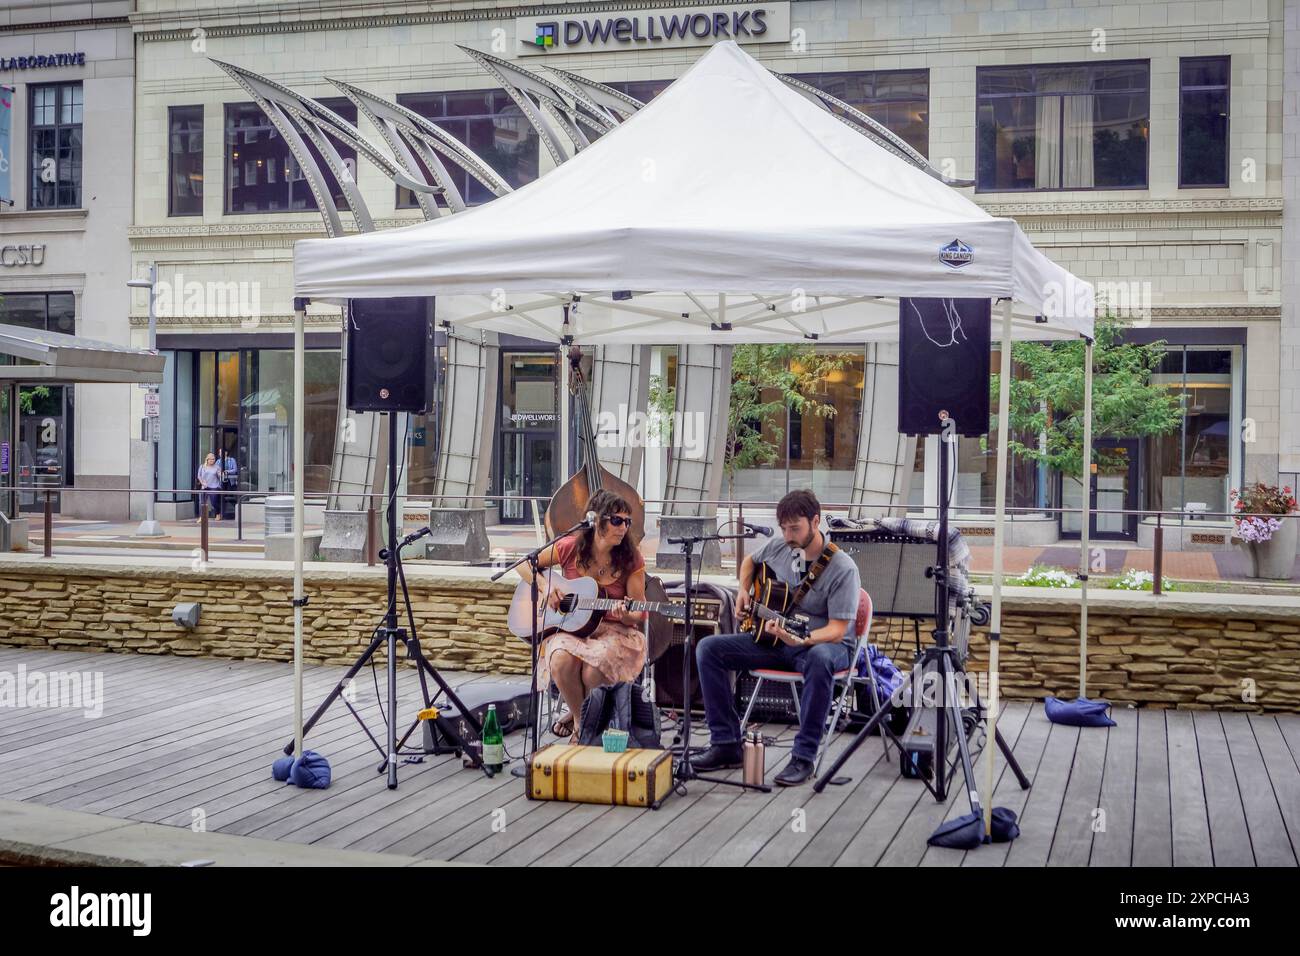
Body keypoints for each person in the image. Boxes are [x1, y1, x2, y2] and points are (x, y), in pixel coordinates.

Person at [693, 489, 861, 786]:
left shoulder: (842, 567)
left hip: (825, 646)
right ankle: (726, 744)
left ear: (815, 521)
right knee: (708, 649)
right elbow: (749, 561)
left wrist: (802, 640)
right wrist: (744, 590)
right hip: (777, 641)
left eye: (794, 528)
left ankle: (804, 757)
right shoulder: (780, 547)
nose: (787, 536)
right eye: (783, 528)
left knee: (820, 660)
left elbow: (837, 630)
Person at [518, 489, 648, 742]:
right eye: (616, 520)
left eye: (627, 522)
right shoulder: (570, 547)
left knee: (591, 672)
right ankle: (582, 723)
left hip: (615, 630)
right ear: (596, 520)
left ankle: (583, 719)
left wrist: (625, 616)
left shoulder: (630, 558)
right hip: (573, 627)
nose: (623, 528)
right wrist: (546, 589)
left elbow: (640, 610)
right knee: (560, 661)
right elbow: (524, 564)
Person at [196, 452, 223, 523]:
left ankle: (218, 513)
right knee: (202, 503)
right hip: (204, 486)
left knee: (214, 502)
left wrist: (220, 474)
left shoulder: (217, 467)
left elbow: (219, 474)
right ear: (207, 460)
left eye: (213, 459)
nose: (212, 460)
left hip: (214, 486)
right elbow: (199, 476)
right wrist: (202, 483)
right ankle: (202, 517)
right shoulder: (202, 466)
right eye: (210, 459)